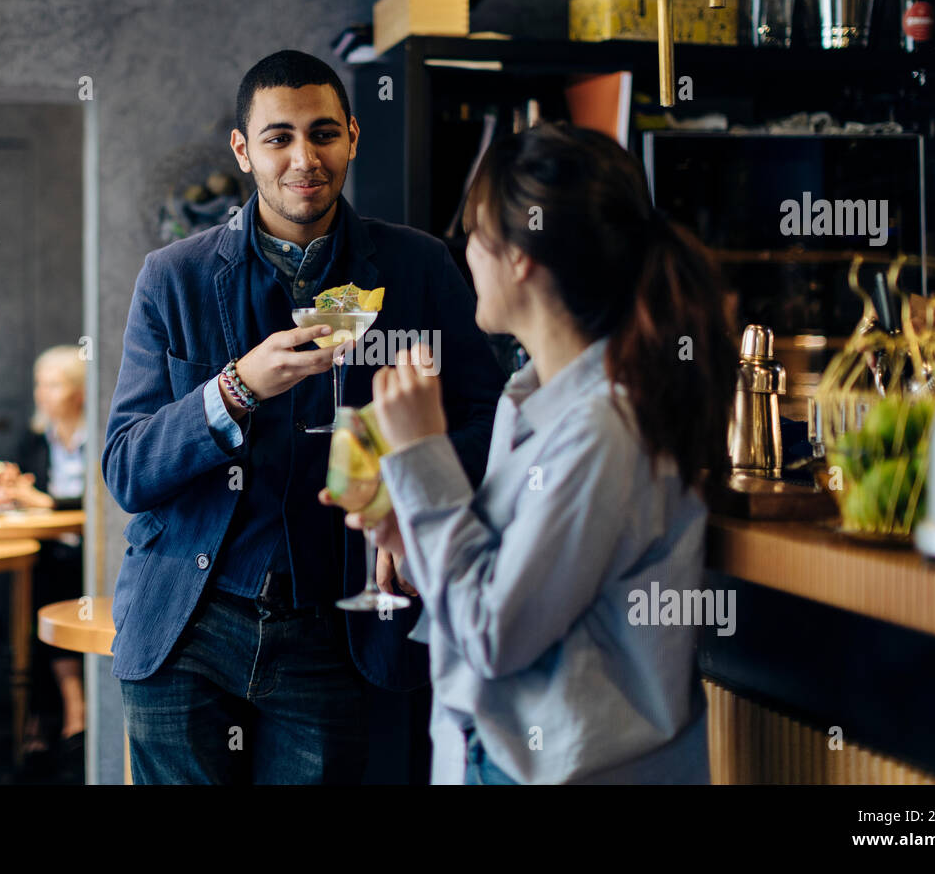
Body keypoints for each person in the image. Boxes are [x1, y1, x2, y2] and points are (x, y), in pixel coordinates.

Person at [105, 49, 505, 784]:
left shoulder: (419, 269)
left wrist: (408, 497)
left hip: (338, 630)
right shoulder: (173, 278)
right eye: (278, 137)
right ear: (243, 150)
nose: (303, 158)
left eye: (322, 133)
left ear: (353, 135)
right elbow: (127, 467)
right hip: (188, 628)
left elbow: (491, 424)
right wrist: (232, 387)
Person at [361, 123, 736, 784]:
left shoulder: (604, 428)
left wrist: (422, 455)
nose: (465, 254)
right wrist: (408, 526)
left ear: (520, 259)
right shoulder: (529, 399)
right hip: (501, 756)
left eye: (476, 235)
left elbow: (496, 635)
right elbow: (500, 585)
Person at [0, 344, 86, 779]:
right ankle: (61, 712)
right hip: (51, 552)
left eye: (54, 384)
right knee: (33, 585)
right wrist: (4, 492)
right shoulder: (36, 435)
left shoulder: (97, 431)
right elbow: (20, 483)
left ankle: (63, 710)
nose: (43, 394)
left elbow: (103, 500)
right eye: (39, 384)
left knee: (49, 582)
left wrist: (42, 501)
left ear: (80, 391)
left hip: (92, 552)